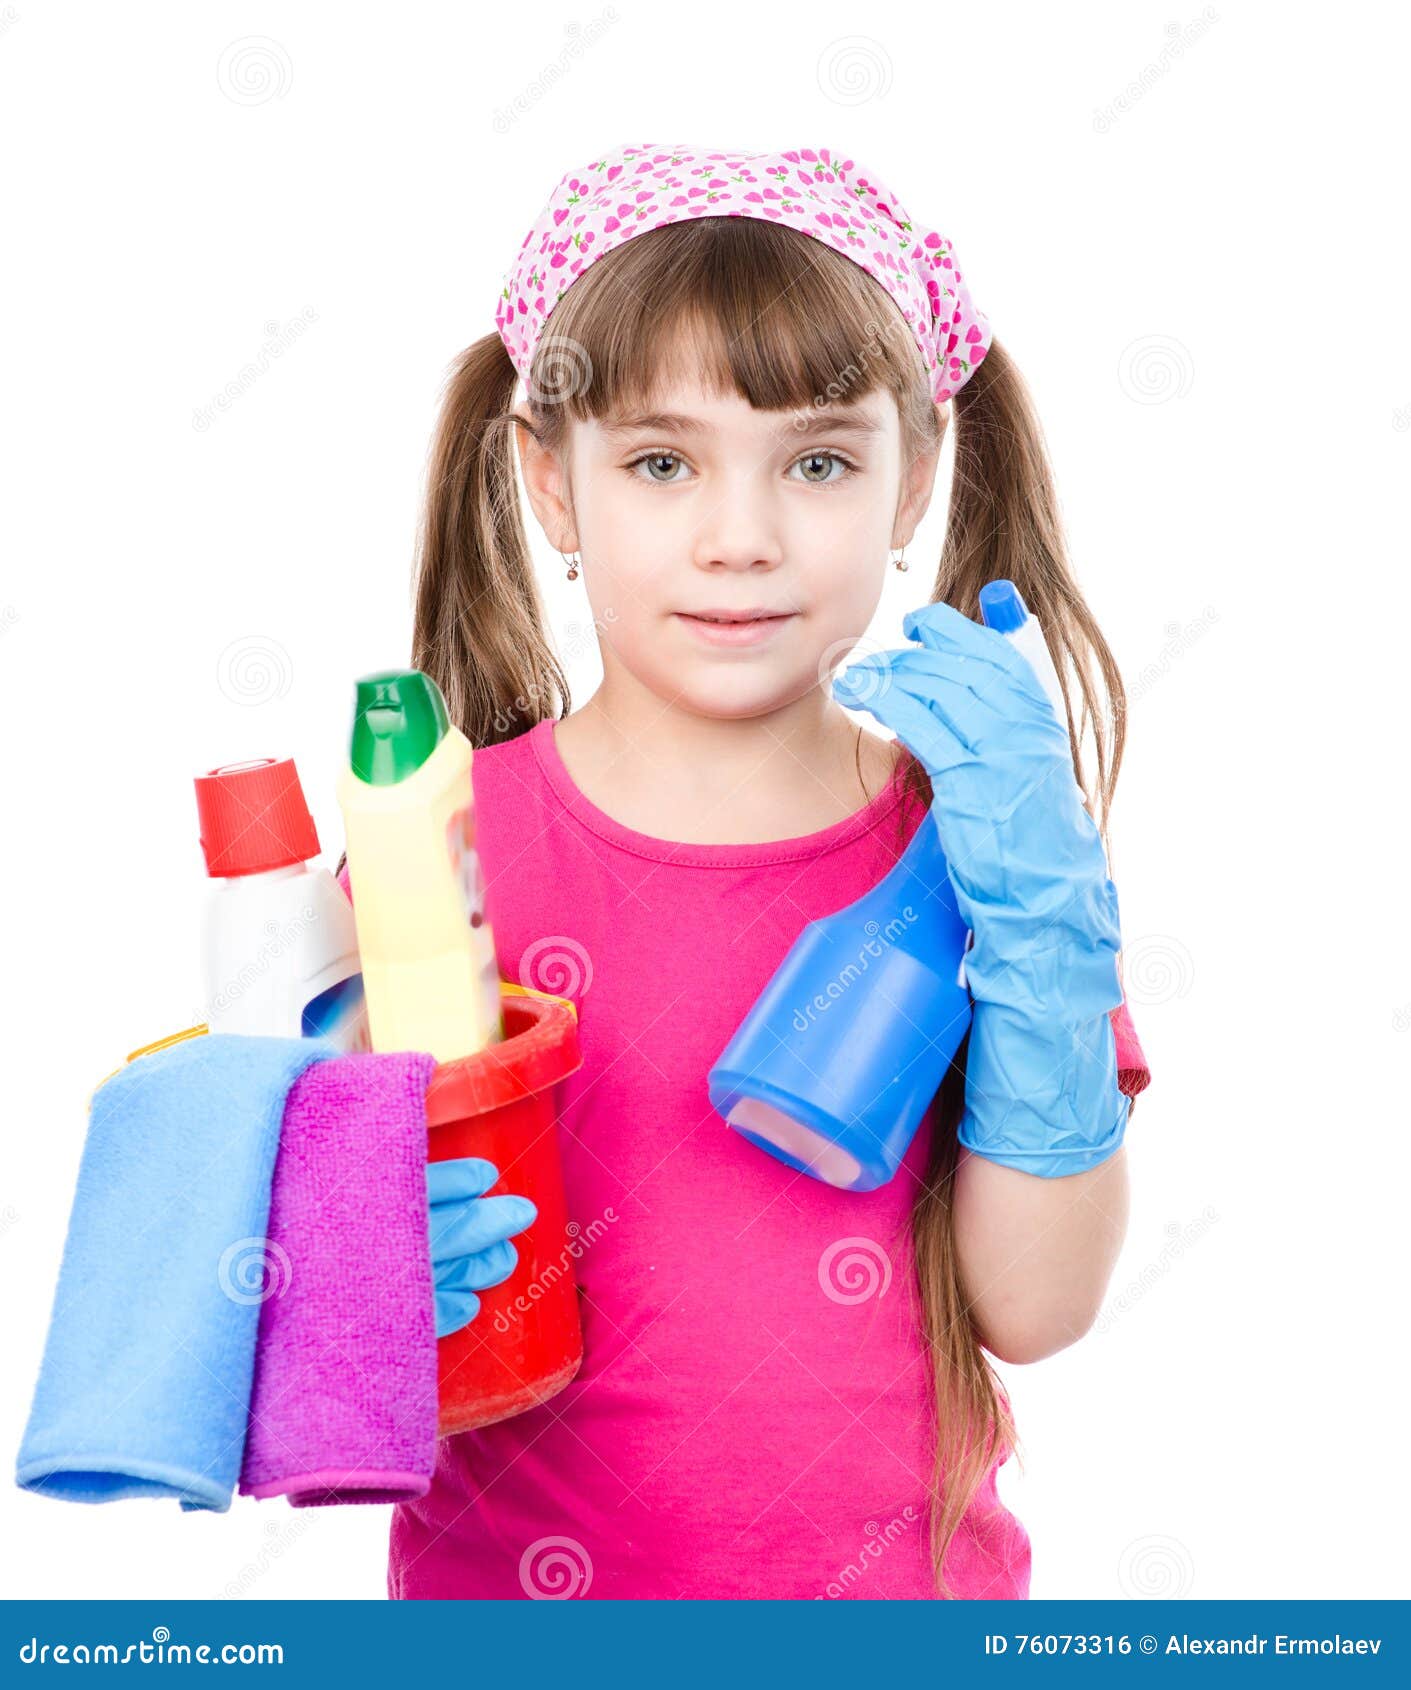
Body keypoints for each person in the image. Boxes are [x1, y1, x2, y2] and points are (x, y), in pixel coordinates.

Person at [338, 139, 1152, 1601]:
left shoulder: (979, 853)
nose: (741, 537)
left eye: (821, 461)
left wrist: (1046, 925)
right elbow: (314, 1378)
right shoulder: (432, 864)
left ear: (914, 482)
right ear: (551, 482)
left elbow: (1034, 1303)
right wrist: (357, 1286)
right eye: (661, 462)